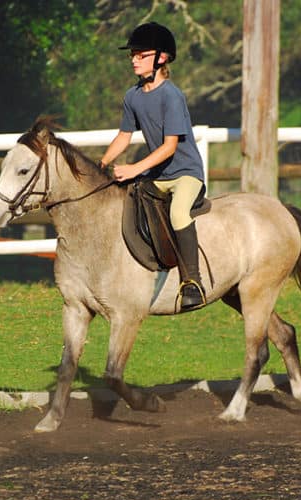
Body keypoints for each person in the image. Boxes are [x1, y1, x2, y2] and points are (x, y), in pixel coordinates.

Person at [99, 21, 206, 311]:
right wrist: (103, 163)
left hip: (185, 174)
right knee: (126, 200)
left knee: (178, 211)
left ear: (161, 58)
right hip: (157, 174)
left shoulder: (172, 96)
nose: (133, 59)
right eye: (132, 55)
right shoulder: (132, 96)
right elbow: (124, 136)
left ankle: (192, 282)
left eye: (140, 54)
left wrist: (134, 169)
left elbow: (170, 146)